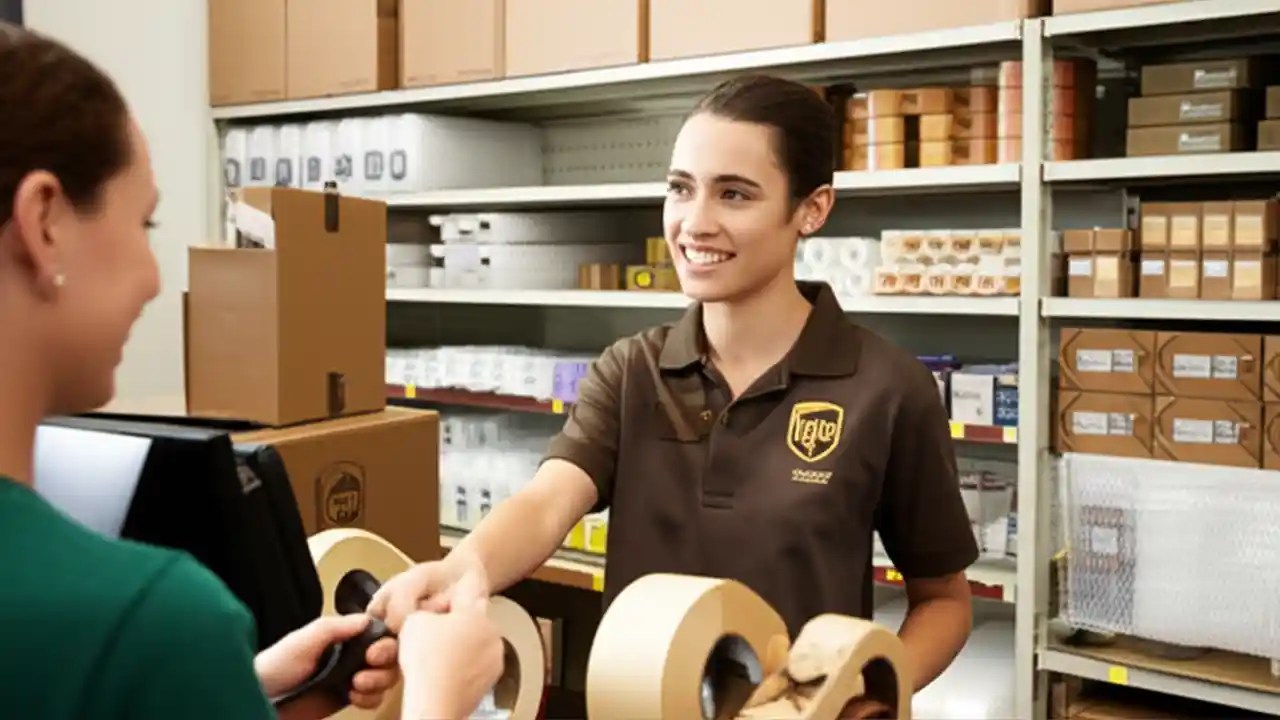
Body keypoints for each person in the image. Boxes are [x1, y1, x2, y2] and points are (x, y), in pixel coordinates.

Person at [371, 74, 980, 711]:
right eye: (681, 188)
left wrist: (863, 692)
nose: (695, 223)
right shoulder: (633, 370)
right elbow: (550, 500)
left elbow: (943, 600)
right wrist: (466, 567)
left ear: (812, 209)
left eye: (735, 195)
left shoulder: (887, 386)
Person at [0, 22, 502, 720]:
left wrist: (244, 692)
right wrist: (446, 698)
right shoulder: (149, 617)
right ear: (44, 220)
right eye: (145, 225)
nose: (153, 278)